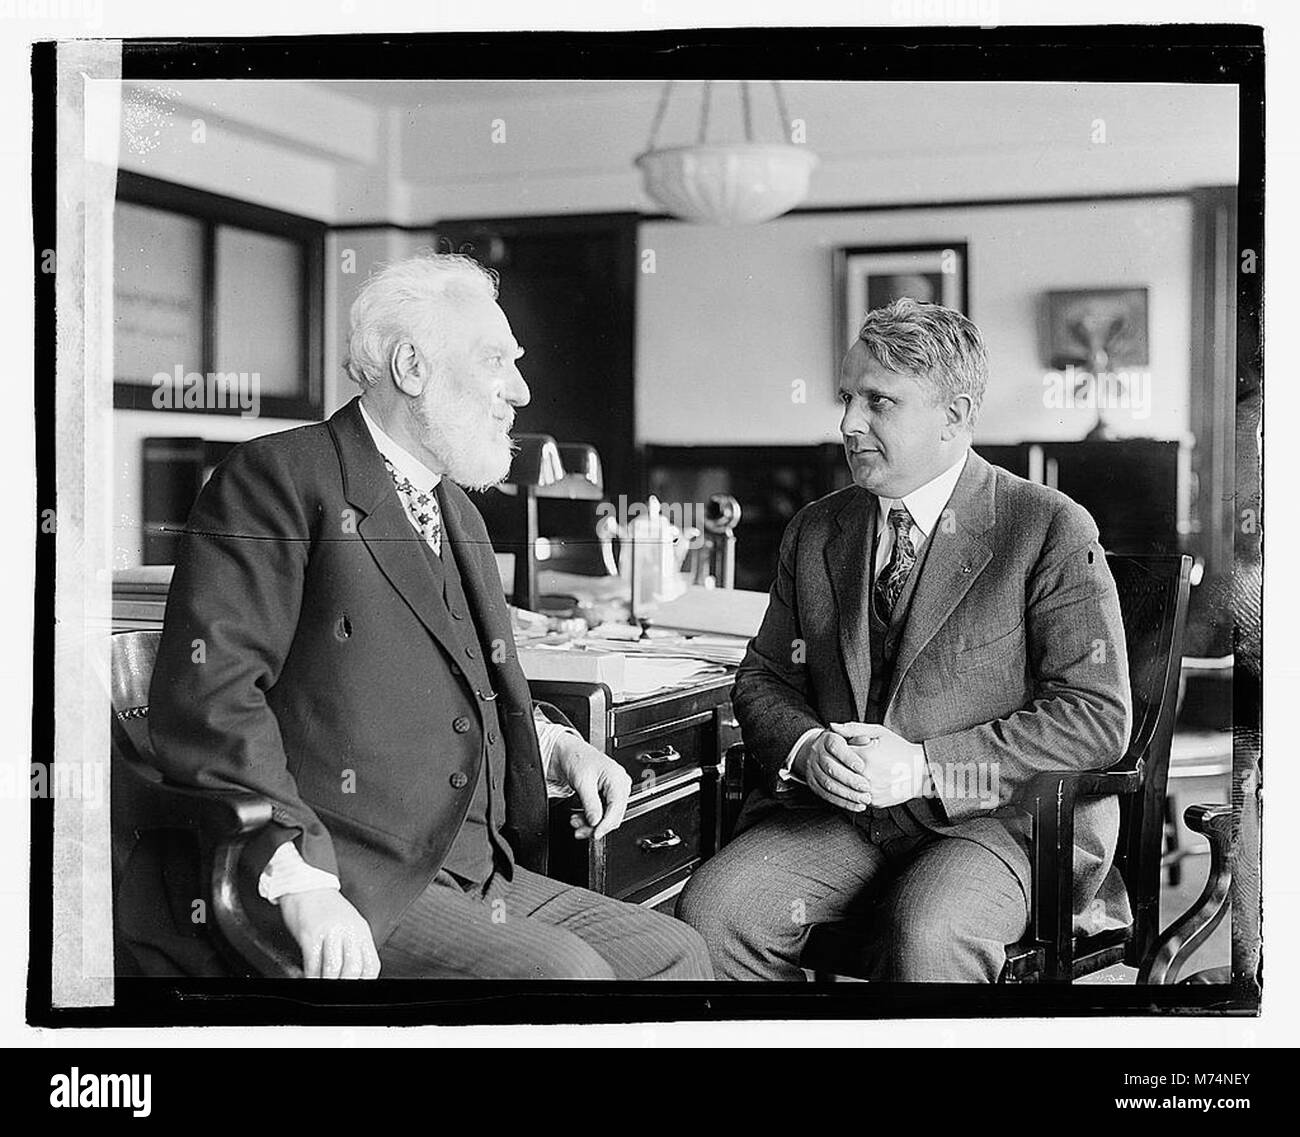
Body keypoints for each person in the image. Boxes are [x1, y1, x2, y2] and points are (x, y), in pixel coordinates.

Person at [135, 252, 712, 981]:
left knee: (679, 952)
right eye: (497, 359)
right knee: (570, 979)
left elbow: (453, 677)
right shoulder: (277, 478)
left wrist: (556, 746)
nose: (522, 390)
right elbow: (209, 700)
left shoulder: (456, 509)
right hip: (348, 872)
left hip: (476, 869)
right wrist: (304, 881)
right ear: (411, 365)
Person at [677, 297, 1131, 982]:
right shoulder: (817, 529)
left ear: (955, 416)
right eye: (847, 398)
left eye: (879, 402)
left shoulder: (1047, 527)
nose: (848, 423)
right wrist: (807, 748)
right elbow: (764, 676)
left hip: (1002, 819)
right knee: (717, 910)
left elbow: (1097, 717)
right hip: (847, 816)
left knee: (928, 931)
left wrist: (921, 767)